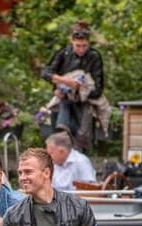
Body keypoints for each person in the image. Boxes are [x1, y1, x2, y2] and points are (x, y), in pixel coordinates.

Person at [1, 148, 102, 226]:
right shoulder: (13, 214)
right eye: (20, 173)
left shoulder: (79, 207)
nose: (22, 178)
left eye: (28, 172)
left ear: (46, 173)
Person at [41, 20, 104, 152]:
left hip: (83, 104)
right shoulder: (64, 53)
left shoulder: (94, 56)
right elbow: (46, 73)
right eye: (78, 46)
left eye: (84, 46)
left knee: (80, 145)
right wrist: (63, 82)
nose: (81, 49)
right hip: (62, 101)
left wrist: (78, 91)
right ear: (72, 42)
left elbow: (98, 89)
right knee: (59, 143)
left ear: (89, 43)